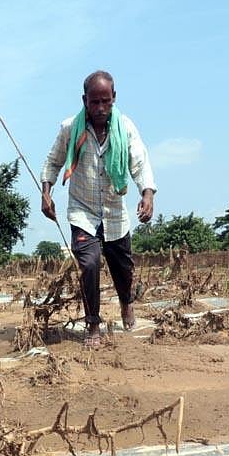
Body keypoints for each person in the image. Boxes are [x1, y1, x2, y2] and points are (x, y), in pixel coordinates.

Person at [41, 70, 156, 348]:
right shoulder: (71, 128)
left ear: (114, 98)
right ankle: (93, 324)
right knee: (89, 263)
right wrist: (46, 192)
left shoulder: (125, 127)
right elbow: (54, 161)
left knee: (123, 269)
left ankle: (126, 303)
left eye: (106, 101)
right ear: (85, 101)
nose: (101, 108)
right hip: (83, 210)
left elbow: (139, 162)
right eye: (95, 102)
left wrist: (147, 194)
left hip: (115, 212)